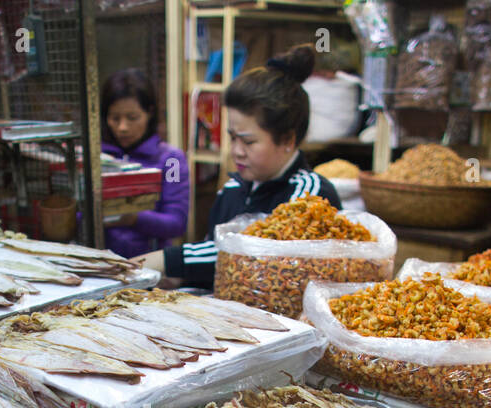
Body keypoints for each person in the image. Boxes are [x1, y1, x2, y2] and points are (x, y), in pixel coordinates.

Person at [133, 43, 341, 288]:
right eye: (232, 137)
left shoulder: (311, 196)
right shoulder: (232, 189)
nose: (236, 151)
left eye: (249, 141)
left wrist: (166, 260)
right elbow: (212, 263)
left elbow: (256, 258)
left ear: (287, 139)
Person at [100, 69, 190, 259]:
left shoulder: (171, 160)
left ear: (149, 113)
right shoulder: (97, 157)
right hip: (100, 263)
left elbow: (176, 222)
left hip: (149, 266)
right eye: (115, 118)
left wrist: (132, 218)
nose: (122, 127)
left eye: (132, 118)